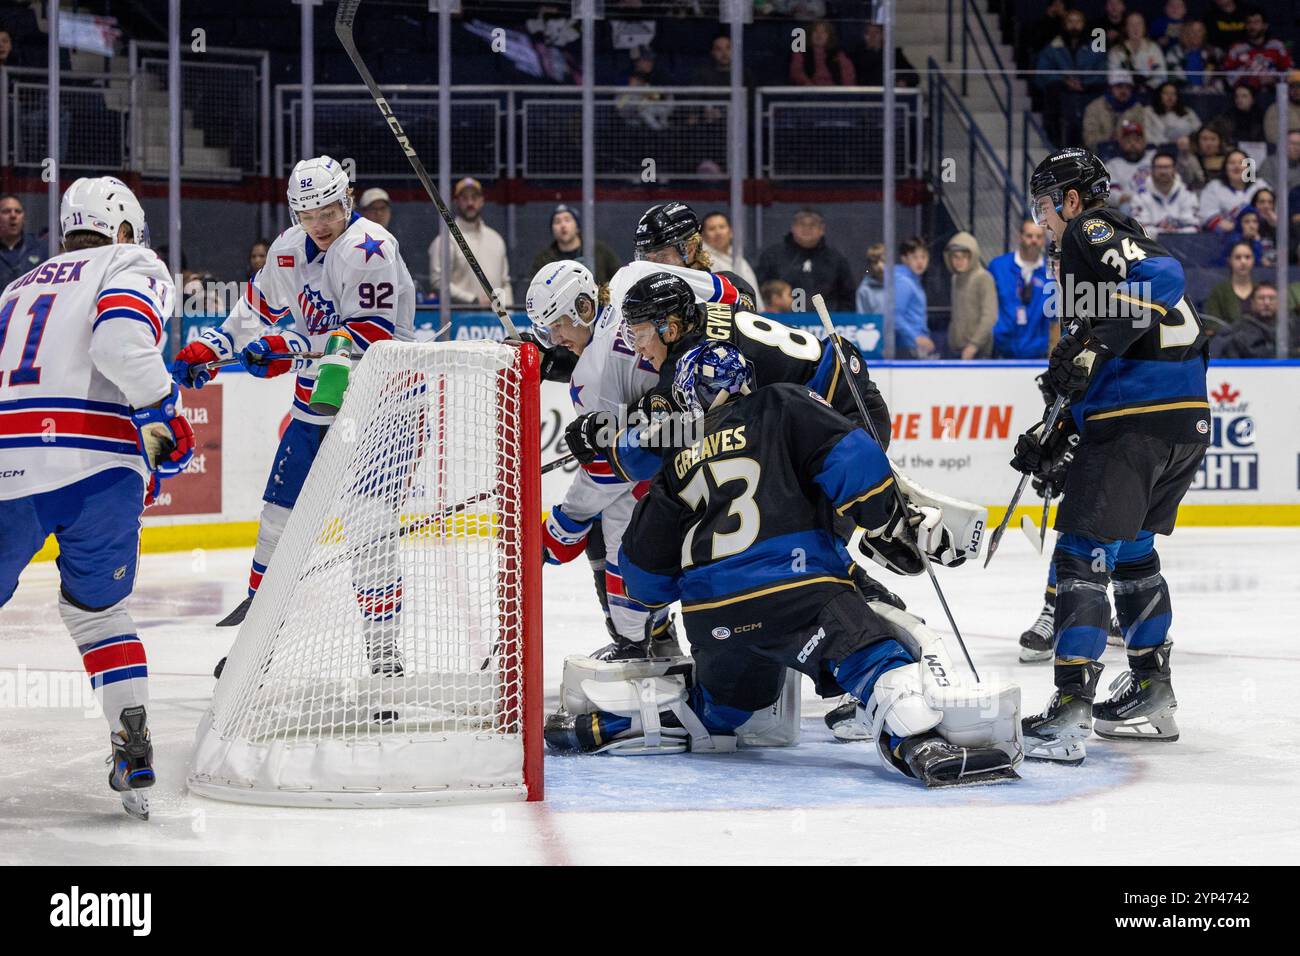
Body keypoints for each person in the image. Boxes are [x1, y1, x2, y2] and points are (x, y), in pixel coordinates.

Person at [545, 341, 1020, 788]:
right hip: (799, 591)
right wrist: (883, 516)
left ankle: (603, 725)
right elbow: (854, 460)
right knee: (875, 657)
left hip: (715, 619)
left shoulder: (676, 461)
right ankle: (922, 745)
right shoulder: (782, 402)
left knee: (721, 712)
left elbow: (642, 576)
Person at [0, 176, 194, 820]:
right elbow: (118, 343)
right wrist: (164, 411)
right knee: (99, 616)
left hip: (9, 463)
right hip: (101, 466)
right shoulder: (131, 260)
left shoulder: (17, 285)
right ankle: (131, 746)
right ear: (123, 228)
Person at [170, 156, 416, 640]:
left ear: (347, 202)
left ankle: (384, 654)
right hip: (317, 404)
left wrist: (293, 345)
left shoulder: (371, 248)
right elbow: (255, 310)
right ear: (293, 213)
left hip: (385, 404)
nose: (320, 224)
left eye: (328, 210)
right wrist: (214, 346)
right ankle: (256, 645)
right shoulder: (287, 250)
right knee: (276, 522)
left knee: (369, 529)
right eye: (308, 214)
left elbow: (369, 334)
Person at [1017, 147, 1209, 763]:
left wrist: (1092, 343)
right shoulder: (1099, 261)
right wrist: (1064, 426)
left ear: (1071, 200)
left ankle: (1070, 711)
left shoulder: (1092, 231)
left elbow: (1165, 277)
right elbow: (1112, 346)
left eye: (1045, 205)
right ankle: (1151, 690)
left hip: (1137, 424)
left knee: (1079, 553)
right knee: (1133, 553)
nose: (1043, 219)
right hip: (1182, 422)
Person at [524, 260, 677, 662]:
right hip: (688, 448)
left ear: (584, 307)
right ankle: (656, 632)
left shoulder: (597, 368)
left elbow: (611, 471)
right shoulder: (623, 307)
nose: (554, 337)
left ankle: (634, 645)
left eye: (558, 324)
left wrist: (563, 523)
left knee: (617, 537)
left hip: (658, 471)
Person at [427, 177, 512, 307]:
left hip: (495, 321)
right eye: (464, 198)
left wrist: (509, 314)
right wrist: (473, 300)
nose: (470, 203)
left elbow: (505, 282)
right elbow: (438, 281)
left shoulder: (496, 239)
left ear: (482, 201)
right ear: (456, 202)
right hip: (460, 319)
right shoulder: (445, 240)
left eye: (474, 197)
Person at [755, 208, 857, 311]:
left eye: (812, 225)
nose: (806, 229)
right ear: (792, 227)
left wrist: (842, 322)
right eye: (801, 224)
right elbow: (759, 290)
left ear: (822, 229)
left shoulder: (836, 260)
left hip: (828, 323)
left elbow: (848, 297)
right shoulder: (772, 256)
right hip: (781, 323)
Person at [1036, 8, 1108, 146]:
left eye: (1078, 21)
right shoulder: (1053, 47)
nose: (1074, 25)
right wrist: (1064, 81)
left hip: (1089, 92)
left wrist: (1085, 83)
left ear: (1084, 24)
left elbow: (1103, 71)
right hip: (1062, 93)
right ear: (1064, 24)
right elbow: (1042, 72)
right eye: (1070, 21)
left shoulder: (1096, 46)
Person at [989, 219, 1054, 359]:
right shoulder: (998, 267)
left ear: (1044, 239)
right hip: (1001, 351)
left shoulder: (1051, 274)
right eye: (1029, 236)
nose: (1034, 241)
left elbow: (1055, 315)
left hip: (1036, 354)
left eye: (1039, 236)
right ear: (1020, 236)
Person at [529, 203, 620, 286]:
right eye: (557, 222)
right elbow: (535, 288)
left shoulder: (599, 250)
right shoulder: (544, 259)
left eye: (567, 220)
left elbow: (619, 279)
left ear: (577, 227)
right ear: (552, 230)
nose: (563, 225)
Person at [943, 232, 996, 360]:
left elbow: (990, 316)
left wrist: (974, 345)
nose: (959, 261)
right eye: (955, 257)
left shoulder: (983, 278)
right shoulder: (955, 278)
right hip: (956, 348)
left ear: (972, 256)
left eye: (964, 256)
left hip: (978, 351)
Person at [699, 211, 762, 309]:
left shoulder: (738, 258)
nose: (718, 232)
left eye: (722, 227)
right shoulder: (703, 261)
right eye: (712, 229)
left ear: (731, 232)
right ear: (702, 236)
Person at [1131, 149, 1201, 233]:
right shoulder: (1140, 196)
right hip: (1152, 244)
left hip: (1183, 242)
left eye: (1167, 167)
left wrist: (1174, 233)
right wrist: (1165, 232)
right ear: (1152, 170)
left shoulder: (1187, 194)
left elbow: (1195, 227)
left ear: (1174, 170)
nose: (1163, 172)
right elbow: (1140, 230)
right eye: (1159, 167)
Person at [1221, 10, 1291, 91]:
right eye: (1249, 22)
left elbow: (1287, 71)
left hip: (1273, 93)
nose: (1252, 26)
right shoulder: (1236, 48)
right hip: (1244, 94)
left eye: (1256, 22)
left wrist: (1274, 79)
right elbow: (1226, 74)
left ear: (1265, 26)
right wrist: (1249, 80)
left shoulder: (1277, 46)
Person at [1200, 148, 1269, 231]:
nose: (1237, 166)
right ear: (1225, 167)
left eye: (1241, 163)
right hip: (1225, 238)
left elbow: (1270, 213)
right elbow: (1208, 216)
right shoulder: (1214, 187)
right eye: (1232, 163)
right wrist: (1239, 230)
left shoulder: (1260, 185)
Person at [1211, 280, 1282, 356]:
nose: (1267, 303)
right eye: (1261, 298)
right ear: (1252, 302)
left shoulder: (1290, 327)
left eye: (1272, 298)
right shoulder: (1237, 329)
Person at [1082, 70, 1143, 150]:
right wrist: (1110, 140)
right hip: (1101, 152)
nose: (1124, 91)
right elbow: (1089, 138)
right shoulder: (1094, 108)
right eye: (1119, 86)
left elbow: (1142, 136)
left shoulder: (1137, 108)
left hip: (1130, 151)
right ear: (1110, 89)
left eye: (1128, 87)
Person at [893, 236, 933, 358]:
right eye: (915, 257)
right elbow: (895, 315)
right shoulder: (904, 282)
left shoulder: (913, 281)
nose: (920, 262)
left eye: (923, 257)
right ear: (904, 258)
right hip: (907, 346)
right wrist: (916, 338)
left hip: (913, 344)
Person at [1107, 11, 1167, 91]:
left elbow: (1161, 75)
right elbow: (1112, 77)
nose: (1135, 28)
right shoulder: (1116, 51)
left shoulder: (1153, 48)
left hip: (1149, 92)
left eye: (1139, 24)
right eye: (1131, 24)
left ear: (1144, 27)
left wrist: (1147, 87)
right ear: (1126, 28)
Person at [1106, 120, 1157, 212]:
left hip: (1157, 204)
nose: (1133, 144)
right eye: (1128, 140)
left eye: (1137, 140)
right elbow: (1109, 193)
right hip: (1131, 208)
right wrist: (1124, 198)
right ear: (1121, 143)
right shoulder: (1113, 165)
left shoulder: (1155, 158)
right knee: (1124, 208)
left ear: (1144, 142)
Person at [1201, 239, 1256, 324]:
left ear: (1253, 260)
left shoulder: (1261, 290)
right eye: (1238, 257)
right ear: (1230, 261)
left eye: (1247, 257)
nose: (1243, 262)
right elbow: (1212, 325)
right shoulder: (1219, 292)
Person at [788, 19, 855, 87]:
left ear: (829, 36)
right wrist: (810, 87)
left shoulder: (838, 54)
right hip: (809, 92)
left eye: (824, 32)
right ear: (810, 34)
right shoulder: (801, 52)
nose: (819, 35)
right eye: (815, 31)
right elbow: (796, 72)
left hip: (834, 93)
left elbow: (848, 76)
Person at [851, 21, 918, 88]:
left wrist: (904, 81)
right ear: (864, 36)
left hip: (886, 94)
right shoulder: (857, 56)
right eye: (868, 33)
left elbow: (913, 76)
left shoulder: (894, 55)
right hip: (865, 95)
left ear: (882, 35)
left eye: (876, 32)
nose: (872, 36)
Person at [0, 193, 45, 290]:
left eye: (18, 211)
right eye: (6, 211)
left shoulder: (40, 249)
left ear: (24, 218)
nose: (13, 215)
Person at [1140, 81, 1202, 146]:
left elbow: (1198, 131)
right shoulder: (1149, 112)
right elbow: (1146, 135)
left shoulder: (1187, 112)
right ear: (1159, 95)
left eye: (1173, 94)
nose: (1170, 97)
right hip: (1158, 148)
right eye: (1166, 93)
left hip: (1183, 148)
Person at [1164, 18, 1215, 88]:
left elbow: (1217, 78)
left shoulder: (1211, 53)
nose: (1196, 34)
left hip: (1207, 94)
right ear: (1185, 33)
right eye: (1192, 31)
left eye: (1199, 31)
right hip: (1183, 94)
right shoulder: (1174, 52)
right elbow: (1172, 78)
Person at [1177, 124, 1227, 189]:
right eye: (1204, 139)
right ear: (1198, 141)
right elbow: (1185, 180)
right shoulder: (1190, 160)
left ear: (1220, 141)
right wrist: (1184, 153)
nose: (1209, 143)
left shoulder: (1230, 159)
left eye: (1213, 139)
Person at [855, 242, 886, 316]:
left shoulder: (899, 286)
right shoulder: (864, 291)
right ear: (870, 265)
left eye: (883, 261)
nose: (880, 266)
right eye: (875, 262)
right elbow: (862, 320)